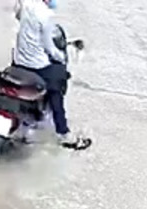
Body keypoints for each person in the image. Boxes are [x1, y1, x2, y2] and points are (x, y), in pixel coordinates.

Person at [13, 0, 91, 150]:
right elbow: (49, 47)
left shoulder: (26, 5)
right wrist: (60, 57)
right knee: (57, 87)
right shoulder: (45, 15)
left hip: (19, 62)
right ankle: (63, 133)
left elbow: (18, 16)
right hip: (37, 66)